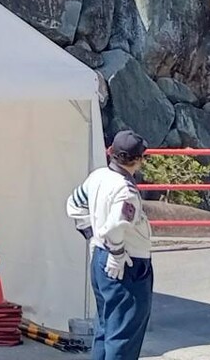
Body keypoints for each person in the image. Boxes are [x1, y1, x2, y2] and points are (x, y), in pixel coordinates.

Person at [67, 130, 154, 360]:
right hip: (126, 262)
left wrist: (92, 234)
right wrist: (116, 250)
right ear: (136, 159)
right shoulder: (125, 190)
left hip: (99, 257)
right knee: (123, 334)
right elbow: (116, 226)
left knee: (105, 328)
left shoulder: (97, 177)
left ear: (111, 153)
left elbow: (74, 205)